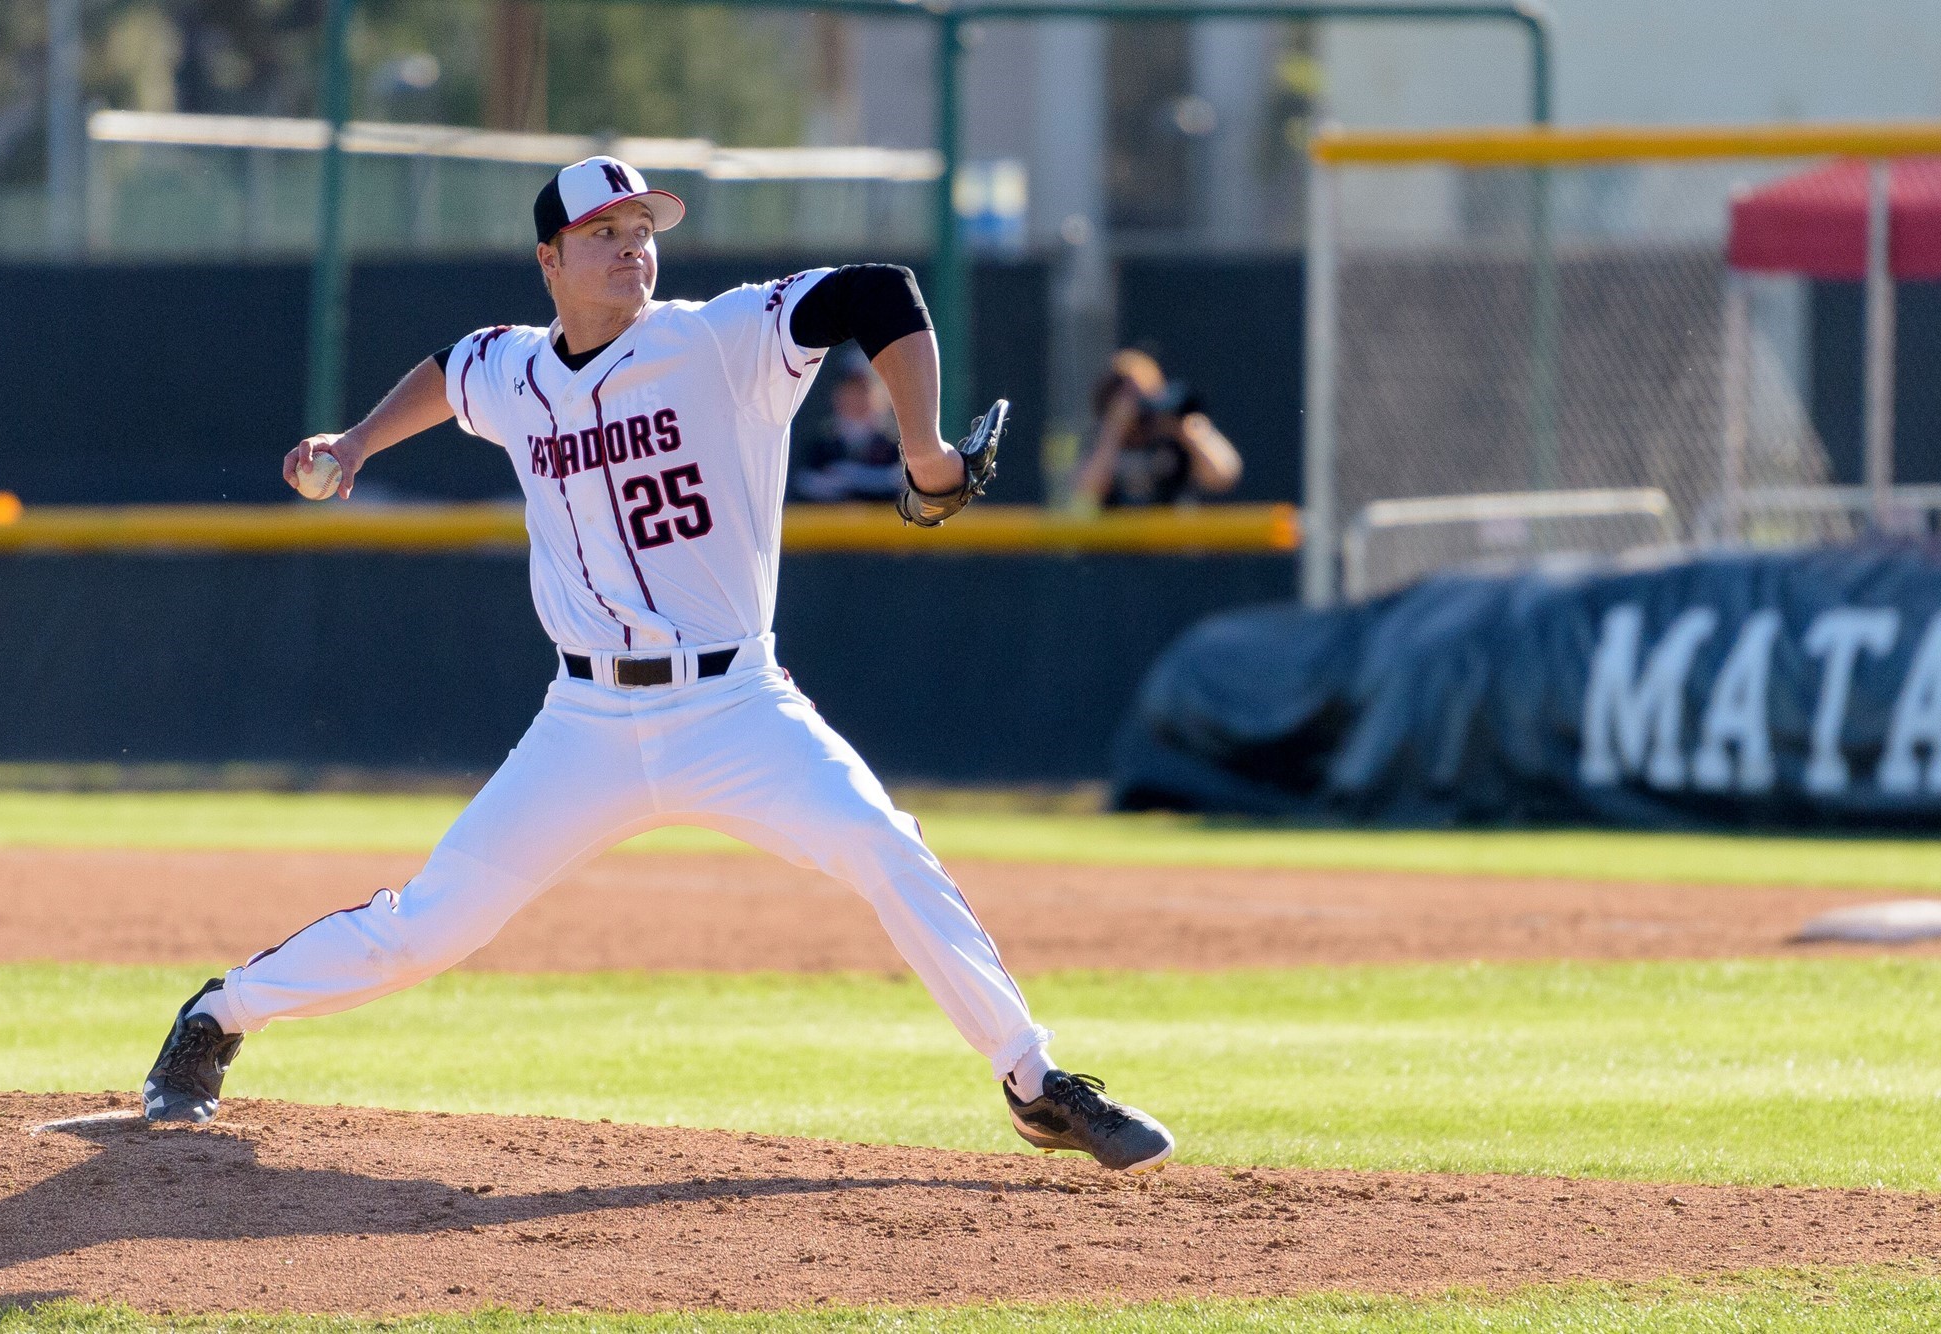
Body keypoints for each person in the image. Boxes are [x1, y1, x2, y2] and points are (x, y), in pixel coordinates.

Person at [139, 155, 1175, 1174]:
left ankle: (1032, 1080)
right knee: (429, 928)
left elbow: (877, 291)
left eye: (643, 233)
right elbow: (456, 368)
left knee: (881, 845)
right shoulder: (515, 368)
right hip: (583, 725)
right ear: (550, 259)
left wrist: (925, 451)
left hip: (736, 706)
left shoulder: (718, 341)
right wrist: (360, 439)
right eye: (604, 234)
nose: (632, 249)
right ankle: (218, 1014)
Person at [1072, 348, 1242, 508]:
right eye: (1130, 395)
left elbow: (1223, 478)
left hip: (1171, 535)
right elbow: (1086, 492)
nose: (1140, 406)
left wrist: (1190, 434)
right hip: (1119, 536)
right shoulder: (1101, 438)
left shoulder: (1174, 433)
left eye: (1144, 394)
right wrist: (1113, 431)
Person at [792, 360, 904, 502]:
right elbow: (804, 481)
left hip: (884, 522)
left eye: (863, 390)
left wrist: (855, 476)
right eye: (851, 390)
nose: (857, 398)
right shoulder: (824, 441)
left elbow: (903, 480)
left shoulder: (894, 440)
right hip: (831, 521)